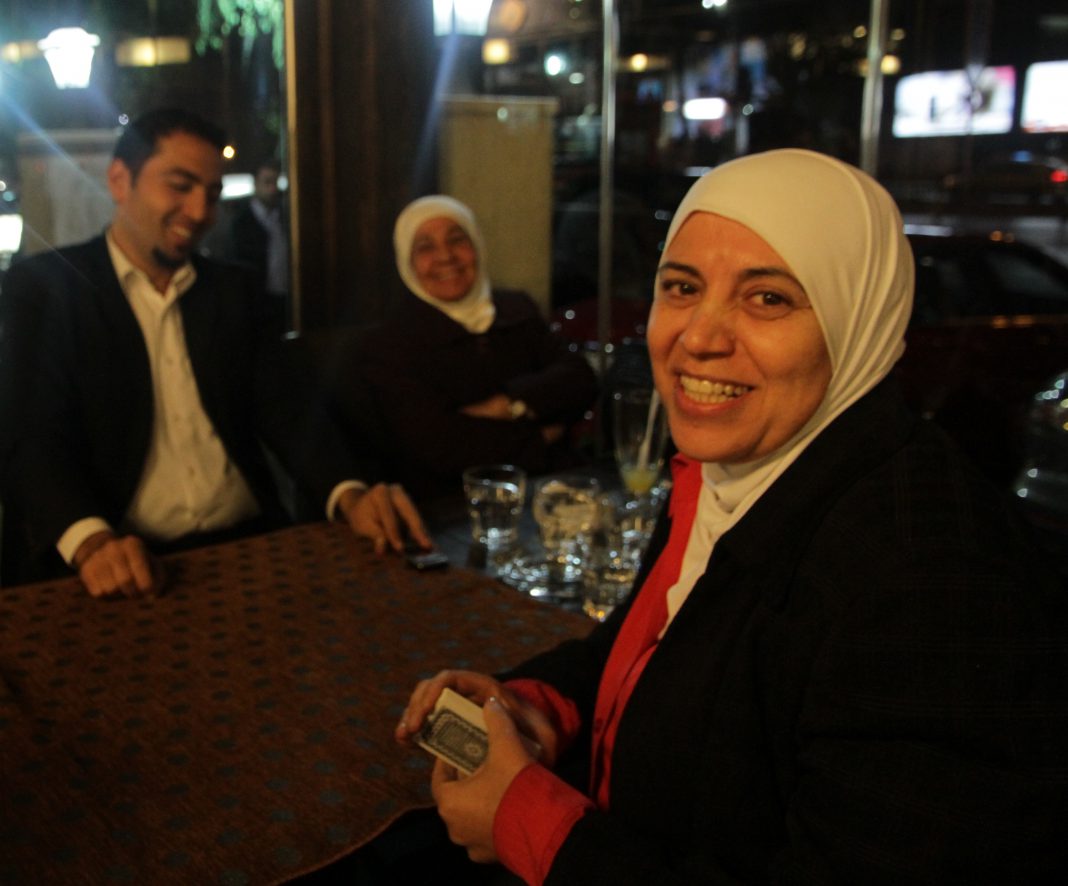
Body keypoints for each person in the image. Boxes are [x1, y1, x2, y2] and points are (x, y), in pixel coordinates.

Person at [395, 150, 1067, 882]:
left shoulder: (932, 577)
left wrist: (531, 825)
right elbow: (651, 646)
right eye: (681, 287)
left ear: (856, 320)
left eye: (767, 298)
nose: (699, 337)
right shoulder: (737, 473)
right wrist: (533, 704)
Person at [0, 108, 429, 596]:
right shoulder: (50, 288)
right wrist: (92, 542)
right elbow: (30, 439)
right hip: (121, 557)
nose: (200, 211)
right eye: (180, 186)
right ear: (120, 181)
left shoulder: (233, 291)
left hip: (249, 549)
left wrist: (351, 493)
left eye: (213, 193)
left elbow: (289, 409)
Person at [343, 195, 598, 504]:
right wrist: (542, 436)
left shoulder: (516, 309)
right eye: (425, 247)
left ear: (476, 245)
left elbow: (581, 379)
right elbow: (442, 447)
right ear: (406, 263)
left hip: (552, 489)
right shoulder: (390, 344)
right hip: (455, 510)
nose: (445, 256)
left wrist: (510, 403)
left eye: (457, 240)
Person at [230, 158, 289, 330]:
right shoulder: (242, 223)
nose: (272, 189)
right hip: (256, 303)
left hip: (284, 300)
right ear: (255, 184)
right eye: (267, 182)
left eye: (275, 182)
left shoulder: (285, 218)